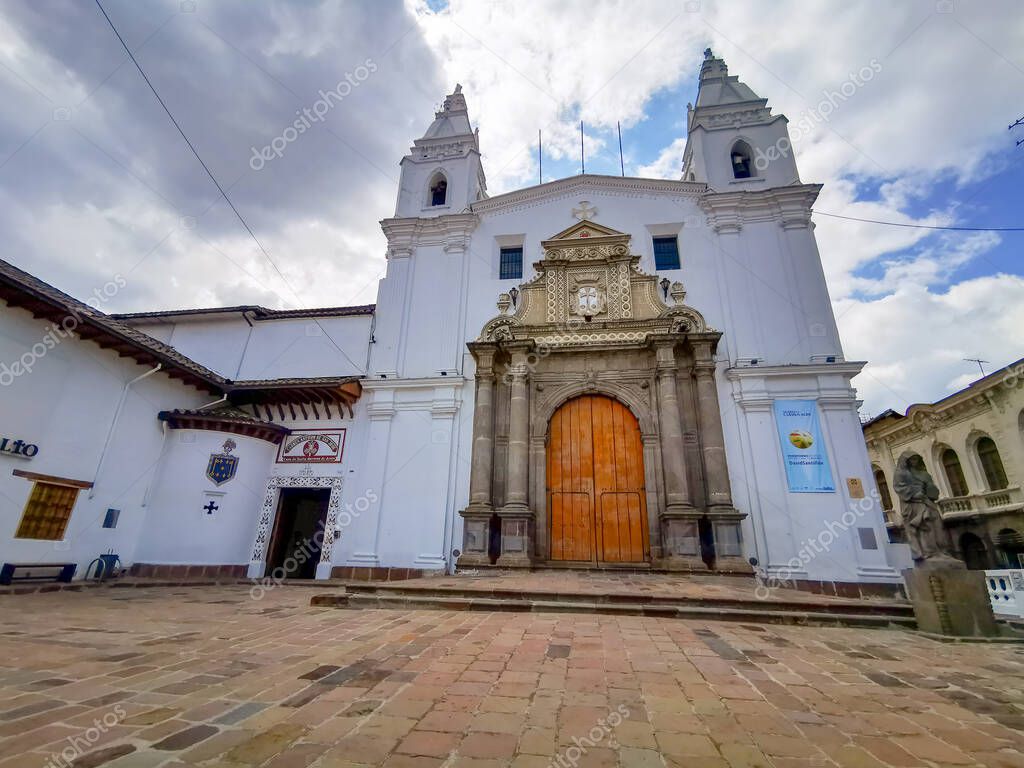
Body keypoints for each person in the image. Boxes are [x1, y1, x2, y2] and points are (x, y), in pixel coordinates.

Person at [893, 454, 952, 563]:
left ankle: (940, 550)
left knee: (937, 525)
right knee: (925, 526)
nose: (914, 462)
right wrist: (914, 494)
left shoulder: (924, 474)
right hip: (914, 506)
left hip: (927, 502)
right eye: (912, 459)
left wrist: (929, 489)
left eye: (916, 459)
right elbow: (900, 488)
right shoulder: (901, 473)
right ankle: (928, 552)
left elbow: (932, 491)